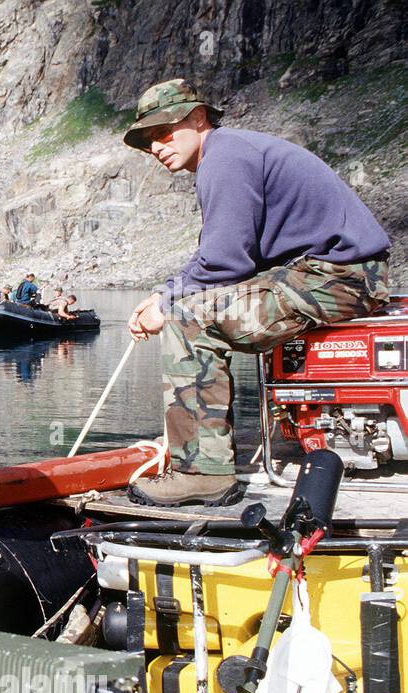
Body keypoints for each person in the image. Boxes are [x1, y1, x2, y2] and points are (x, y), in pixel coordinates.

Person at [123, 79, 391, 507]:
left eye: (164, 132)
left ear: (197, 118)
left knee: (188, 318)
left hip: (338, 277)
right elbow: (219, 256)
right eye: (148, 140)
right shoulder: (231, 153)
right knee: (186, 305)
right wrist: (163, 293)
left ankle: (202, 472)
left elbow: (227, 262)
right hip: (335, 273)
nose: (156, 147)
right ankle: (201, 444)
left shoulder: (224, 159)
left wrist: (167, 305)